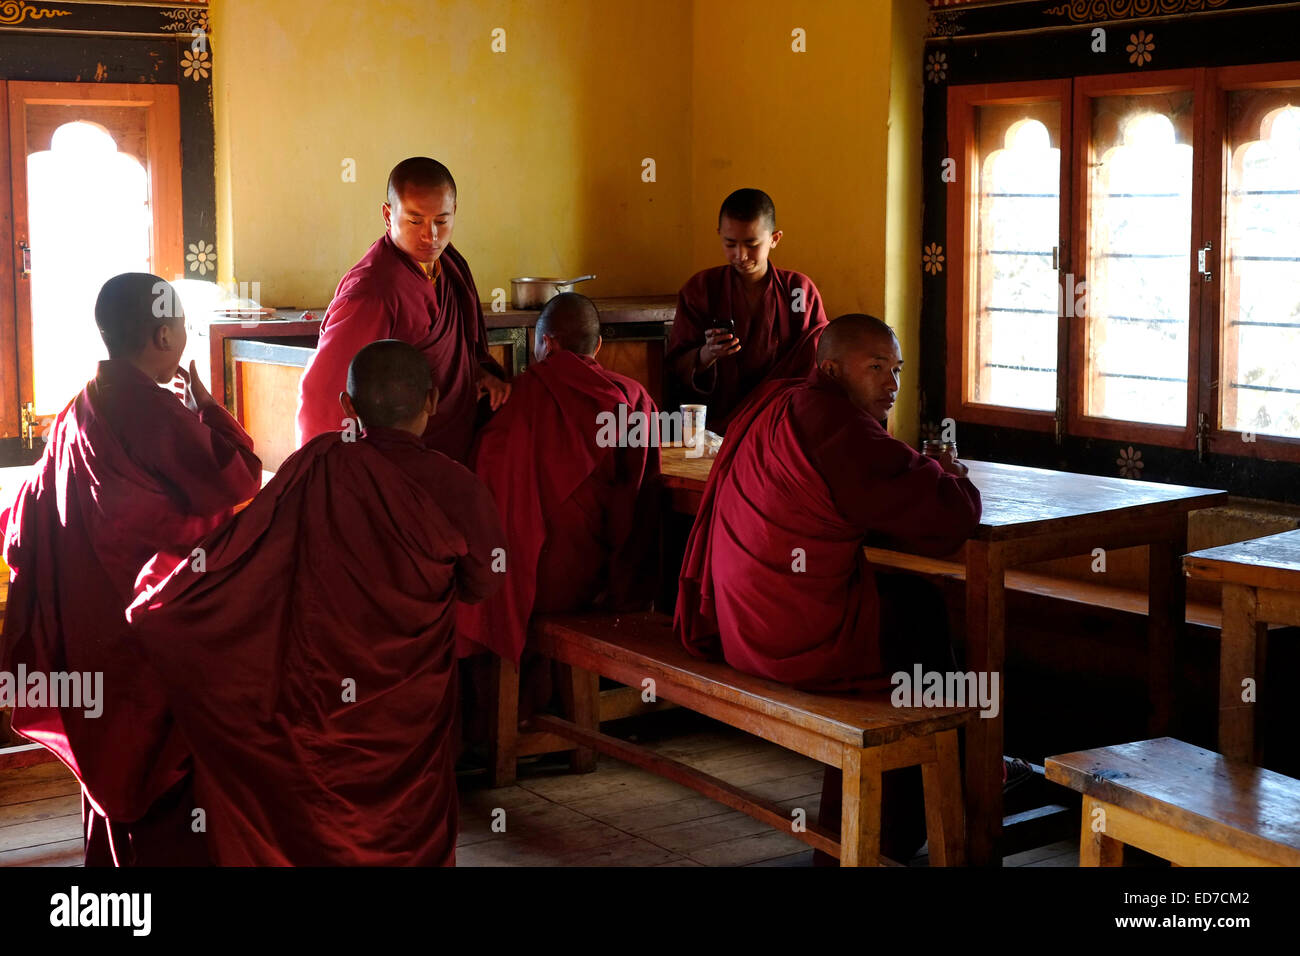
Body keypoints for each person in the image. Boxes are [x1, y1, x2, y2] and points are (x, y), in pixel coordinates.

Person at [129, 340, 504, 866]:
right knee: (408, 812)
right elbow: (485, 580)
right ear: (434, 399)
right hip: (408, 708)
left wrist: (165, 603)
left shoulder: (316, 466)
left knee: (318, 800)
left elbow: (247, 555)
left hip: (320, 696)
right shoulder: (457, 486)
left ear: (348, 409)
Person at [674, 312, 982, 860]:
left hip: (739, 620)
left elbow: (883, 485)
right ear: (833, 368)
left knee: (910, 611)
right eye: (876, 368)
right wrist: (950, 473)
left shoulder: (780, 402)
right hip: (795, 639)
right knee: (921, 619)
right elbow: (947, 518)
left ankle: (912, 809)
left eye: (897, 369)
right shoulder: (841, 426)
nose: (891, 384)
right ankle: (947, 801)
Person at [0, 272, 262, 866]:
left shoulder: (83, 402)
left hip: (88, 624)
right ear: (165, 333)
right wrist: (207, 406)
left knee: (114, 759)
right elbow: (237, 479)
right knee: (162, 772)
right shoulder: (151, 408)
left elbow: (28, 520)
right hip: (146, 627)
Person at [457, 293, 660, 717]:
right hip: (597, 582)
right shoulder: (634, 399)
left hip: (517, 583)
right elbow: (639, 505)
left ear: (545, 343)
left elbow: (483, 495)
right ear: (598, 347)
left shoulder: (514, 402)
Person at [296, 156, 510, 462]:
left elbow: (457, 353)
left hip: (449, 453)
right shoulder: (373, 292)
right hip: (395, 464)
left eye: (441, 220)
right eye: (415, 221)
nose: (431, 236)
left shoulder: (450, 267)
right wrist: (326, 474)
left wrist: (480, 374)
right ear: (387, 215)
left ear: (455, 212)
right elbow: (323, 396)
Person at [665, 188, 829, 431]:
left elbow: (821, 366)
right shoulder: (701, 288)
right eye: (730, 244)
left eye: (751, 244)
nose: (740, 255)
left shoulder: (799, 290)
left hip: (784, 425)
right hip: (718, 426)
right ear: (719, 235)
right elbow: (675, 369)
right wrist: (706, 355)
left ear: (774, 239)